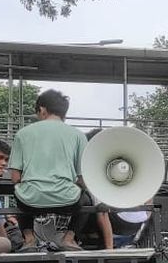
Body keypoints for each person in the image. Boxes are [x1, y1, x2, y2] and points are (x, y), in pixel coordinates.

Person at [8, 89, 112, 252]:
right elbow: (83, 178)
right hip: (67, 201)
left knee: (18, 191)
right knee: (85, 199)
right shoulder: (78, 136)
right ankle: (69, 239)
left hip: (30, 201)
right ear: (64, 112)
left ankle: (29, 239)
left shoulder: (22, 134)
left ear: (42, 110)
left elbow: (15, 178)